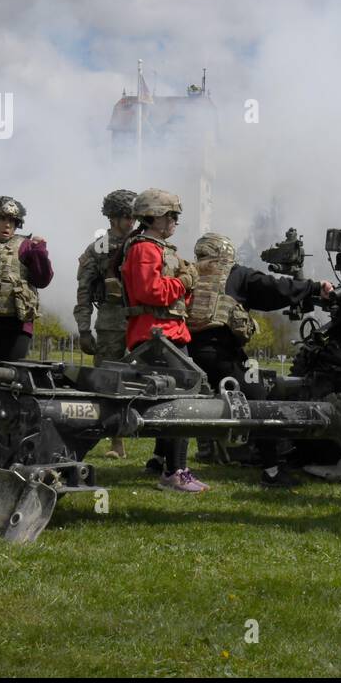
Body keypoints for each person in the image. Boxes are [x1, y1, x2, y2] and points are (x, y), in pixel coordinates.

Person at [186, 232, 333, 488]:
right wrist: (313, 287)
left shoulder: (188, 274)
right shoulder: (236, 275)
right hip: (220, 354)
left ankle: (160, 461)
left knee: (180, 403)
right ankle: (272, 470)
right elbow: (274, 288)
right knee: (260, 402)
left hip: (185, 353)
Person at [120, 187, 208, 493]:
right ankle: (175, 472)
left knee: (177, 399)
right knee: (182, 400)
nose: (175, 221)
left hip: (167, 333)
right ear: (156, 217)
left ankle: (171, 466)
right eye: (172, 215)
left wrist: (186, 282)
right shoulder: (144, 248)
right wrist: (184, 281)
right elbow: (150, 291)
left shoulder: (158, 247)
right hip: (156, 335)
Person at [0, 196, 53, 403]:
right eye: (1, 219)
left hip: (14, 325)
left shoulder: (25, 246)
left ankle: (11, 431)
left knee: (9, 385)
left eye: (12, 221)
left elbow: (42, 279)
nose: (7, 225)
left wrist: (40, 251)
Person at [74, 188, 137, 458]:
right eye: (125, 217)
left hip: (141, 322)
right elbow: (84, 290)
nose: (130, 222)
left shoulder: (143, 244)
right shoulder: (98, 248)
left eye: (133, 217)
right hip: (111, 324)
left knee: (142, 380)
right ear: (112, 218)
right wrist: (84, 329)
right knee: (106, 382)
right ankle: (115, 442)